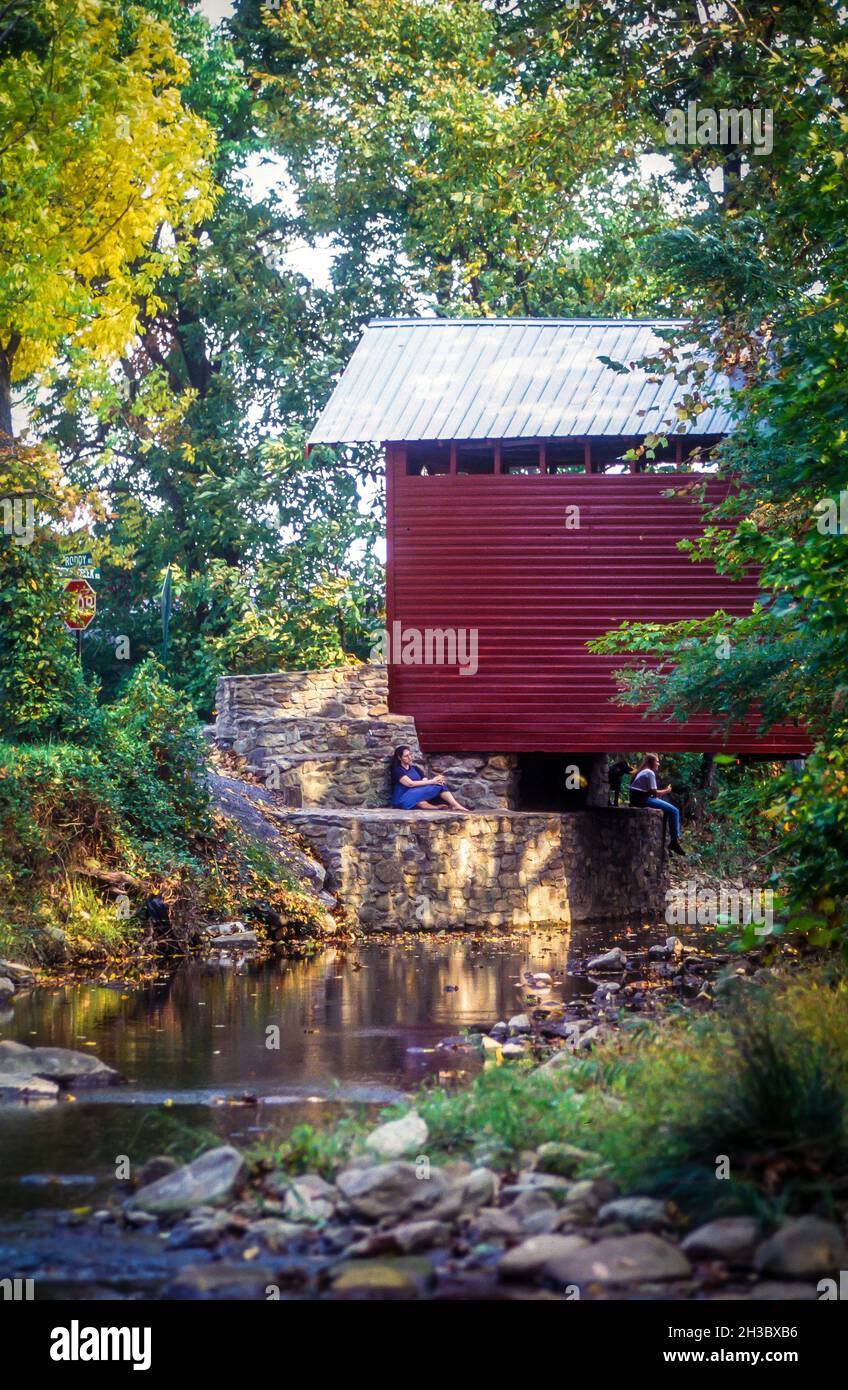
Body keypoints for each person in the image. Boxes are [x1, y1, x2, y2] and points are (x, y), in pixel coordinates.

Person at [629, 753, 685, 854]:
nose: (659, 764)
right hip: (642, 800)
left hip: (638, 799)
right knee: (674, 811)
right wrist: (667, 790)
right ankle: (674, 842)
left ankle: (671, 841)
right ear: (651, 762)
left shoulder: (643, 771)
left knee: (668, 810)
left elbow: (652, 794)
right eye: (657, 761)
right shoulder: (649, 773)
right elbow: (654, 794)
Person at [390, 746, 471, 812]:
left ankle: (443, 806)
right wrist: (432, 781)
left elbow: (424, 780)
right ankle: (453, 805)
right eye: (406, 756)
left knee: (439, 783)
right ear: (399, 758)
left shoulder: (415, 768)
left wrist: (435, 780)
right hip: (402, 798)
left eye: (410, 755)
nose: (409, 757)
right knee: (437, 785)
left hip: (415, 794)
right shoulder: (397, 770)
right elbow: (410, 783)